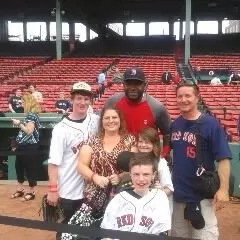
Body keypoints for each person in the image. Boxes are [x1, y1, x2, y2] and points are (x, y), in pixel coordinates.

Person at [61, 106, 136, 240]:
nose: (110, 121)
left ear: (120, 120)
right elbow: (81, 166)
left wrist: (120, 177)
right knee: (77, 234)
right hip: (94, 195)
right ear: (102, 121)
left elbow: (135, 168)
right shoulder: (92, 140)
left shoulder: (130, 140)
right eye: (107, 118)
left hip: (122, 195)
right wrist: (94, 177)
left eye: (114, 117)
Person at [170, 81, 232, 240]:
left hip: (202, 194)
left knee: (205, 236)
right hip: (179, 194)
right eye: (179, 96)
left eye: (188, 96)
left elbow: (223, 158)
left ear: (197, 98)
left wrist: (223, 189)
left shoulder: (210, 124)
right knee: (178, 235)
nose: (183, 100)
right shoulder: (175, 124)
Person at [47, 82, 100, 238]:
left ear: (90, 101)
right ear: (72, 100)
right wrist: (52, 189)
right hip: (69, 190)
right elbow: (53, 162)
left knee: (88, 232)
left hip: (91, 190)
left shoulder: (96, 121)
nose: (82, 102)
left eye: (85, 98)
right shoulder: (60, 129)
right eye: (78, 98)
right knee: (67, 232)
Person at [104, 67, 171, 158]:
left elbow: (167, 133)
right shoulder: (112, 102)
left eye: (137, 84)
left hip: (146, 160)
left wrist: (165, 153)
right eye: (129, 84)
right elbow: (103, 128)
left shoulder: (156, 107)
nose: (132, 88)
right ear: (123, 85)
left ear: (145, 85)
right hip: (118, 157)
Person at [101, 152, 171, 236]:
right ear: (130, 174)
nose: (141, 179)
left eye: (146, 174)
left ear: (153, 175)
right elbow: (107, 234)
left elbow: (162, 233)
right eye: (136, 174)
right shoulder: (118, 200)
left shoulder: (160, 198)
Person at [10, 93, 41, 201]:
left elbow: (29, 131)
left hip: (30, 147)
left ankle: (31, 192)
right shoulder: (28, 115)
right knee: (19, 168)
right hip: (22, 147)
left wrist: (19, 123)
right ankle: (20, 189)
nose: (21, 103)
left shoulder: (32, 115)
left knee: (30, 169)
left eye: (23, 102)